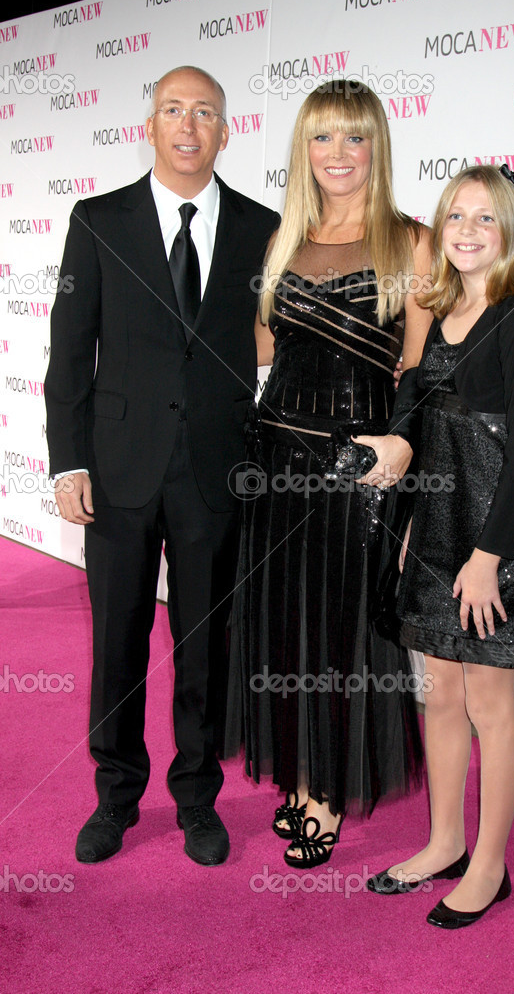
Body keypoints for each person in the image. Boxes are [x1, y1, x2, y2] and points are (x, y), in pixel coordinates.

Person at [44, 66, 279, 866]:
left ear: (225, 130)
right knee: (117, 638)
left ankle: (197, 797)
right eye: (173, 110)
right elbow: (70, 351)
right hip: (116, 469)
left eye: (204, 111)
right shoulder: (99, 219)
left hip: (216, 469)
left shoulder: (262, 226)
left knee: (205, 641)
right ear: (150, 124)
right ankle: (115, 796)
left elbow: (277, 340)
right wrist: (67, 462)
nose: (188, 124)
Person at [223, 80, 433, 867]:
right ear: (301, 148)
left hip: (355, 470)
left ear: (376, 146)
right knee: (284, 619)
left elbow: (415, 369)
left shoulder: (409, 241)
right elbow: (261, 348)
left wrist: (405, 470)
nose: (337, 155)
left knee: (341, 627)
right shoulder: (283, 238)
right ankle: (300, 769)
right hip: (275, 461)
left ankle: (327, 786)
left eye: (354, 138)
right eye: (322, 138)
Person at [366, 164, 514, 927]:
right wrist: (403, 508)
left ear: (511, 230)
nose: (469, 231)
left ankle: (490, 862)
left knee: (487, 697)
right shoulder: (436, 306)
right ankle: (445, 840)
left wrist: (488, 556)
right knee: (438, 688)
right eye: (456, 217)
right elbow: (417, 428)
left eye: (486, 218)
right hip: (433, 529)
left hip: (489, 537)